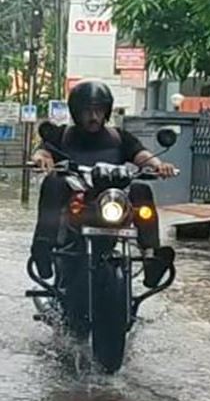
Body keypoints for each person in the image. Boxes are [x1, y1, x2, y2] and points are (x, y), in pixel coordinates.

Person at [29, 79, 177, 286]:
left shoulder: (119, 137)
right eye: (87, 111)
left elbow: (141, 155)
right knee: (53, 182)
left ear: (106, 111)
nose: (93, 116)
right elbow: (43, 151)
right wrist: (42, 159)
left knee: (141, 189)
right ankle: (43, 247)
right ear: (76, 112)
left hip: (111, 202)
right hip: (77, 202)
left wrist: (159, 165)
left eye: (98, 110)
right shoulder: (61, 135)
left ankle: (151, 255)